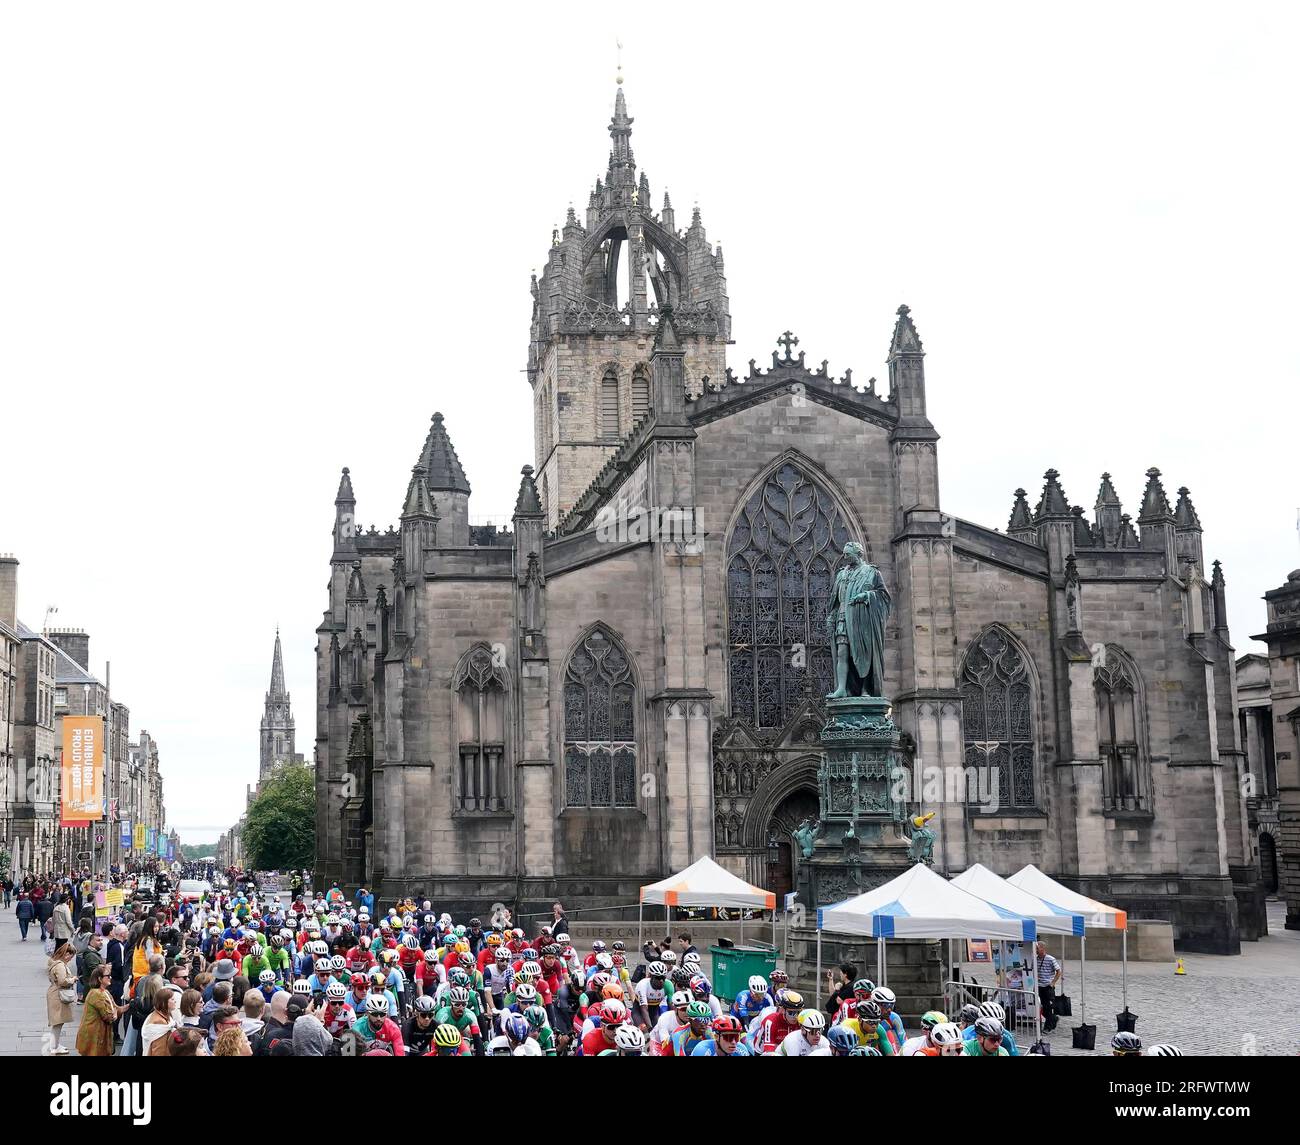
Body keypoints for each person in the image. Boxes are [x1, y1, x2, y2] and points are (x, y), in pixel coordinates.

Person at [77, 964, 127, 1057]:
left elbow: (116, 1009)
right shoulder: (97, 994)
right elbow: (109, 1017)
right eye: (107, 976)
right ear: (100, 979)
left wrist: (131, 1005)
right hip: (93, 1036)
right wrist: (115, 1013)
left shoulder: (104, 991)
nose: (110, 977)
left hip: (99, 1036)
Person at [46, 944, 77, 1055]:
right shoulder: (60, 965)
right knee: (58, 1022)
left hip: (55, 993)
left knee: (58, 1022)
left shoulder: (55, 963)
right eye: (71, 956)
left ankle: (55, 1044)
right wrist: (72, 979)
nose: (71, 959)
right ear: (66, 954)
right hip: (58, 995)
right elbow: (62, 981)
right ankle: (53, 1047)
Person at [140, 984, 181, 1056]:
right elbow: (159, 1051)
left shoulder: (165, 1015)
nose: (175, 1001)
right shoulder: (160, 1022)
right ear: (163, 1002)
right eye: (172, 999)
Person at [1035, 941, 1062, 1032]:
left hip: (1047, 987)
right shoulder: (1035, 959)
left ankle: (1047, 1027)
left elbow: (1058, 971)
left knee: (1048, 1007)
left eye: (1037, 948)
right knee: (1041, 1007)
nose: (1036, 950)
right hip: (1039, 986)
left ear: (1042, 948)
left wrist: (1053, 983)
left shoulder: (1051, 959)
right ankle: (1053, 1019)